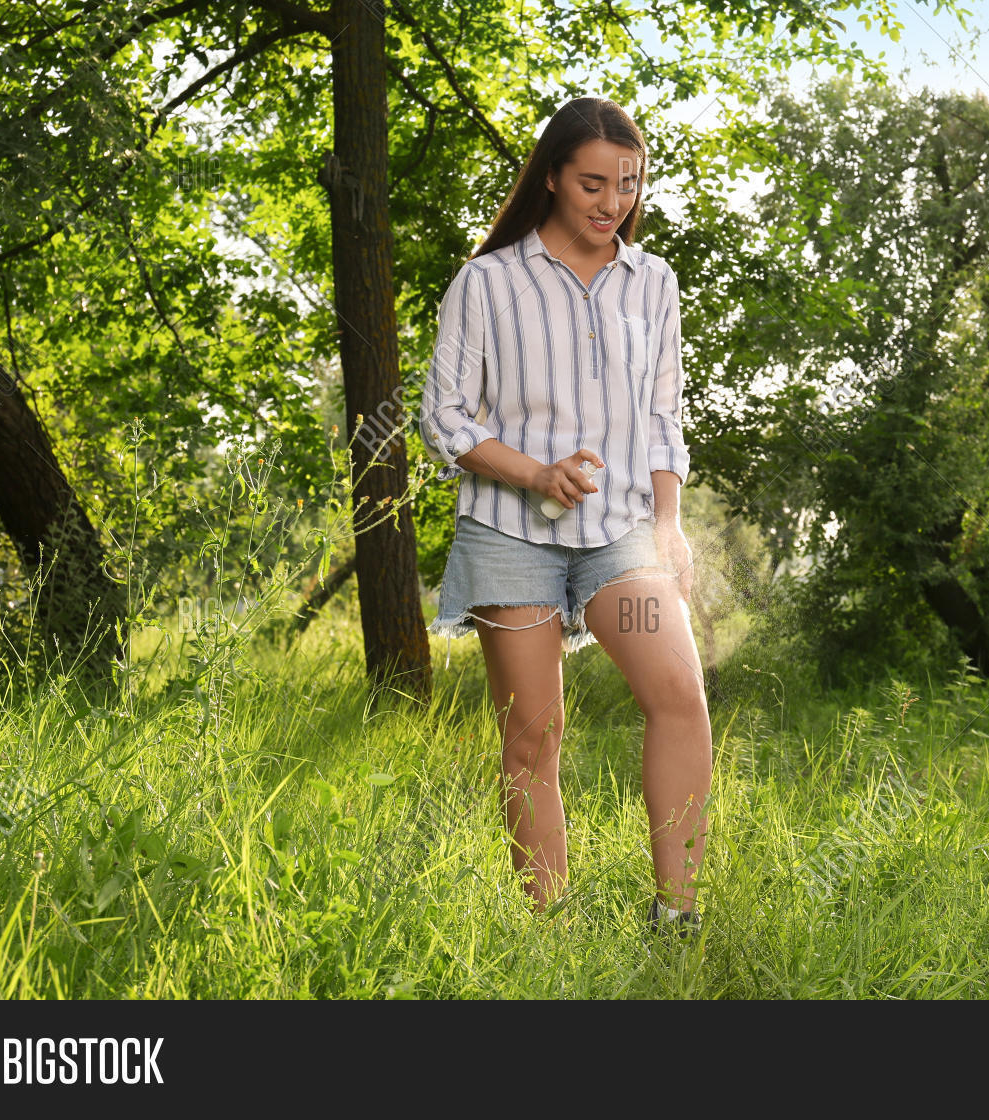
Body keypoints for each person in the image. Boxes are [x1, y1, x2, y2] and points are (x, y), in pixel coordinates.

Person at [419, 97, 712, 938]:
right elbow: (447, 416)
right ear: (552, 176)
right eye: (592, 182)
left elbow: (663, 415)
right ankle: (548, 930)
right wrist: (536, 474)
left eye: (627, 183)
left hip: (621, 533)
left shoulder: (652, 282)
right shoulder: (487, 282)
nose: (610, 201)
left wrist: (669, 525)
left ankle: (678, 912)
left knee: (679, 691)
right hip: (509, 535)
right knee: (534, 736)